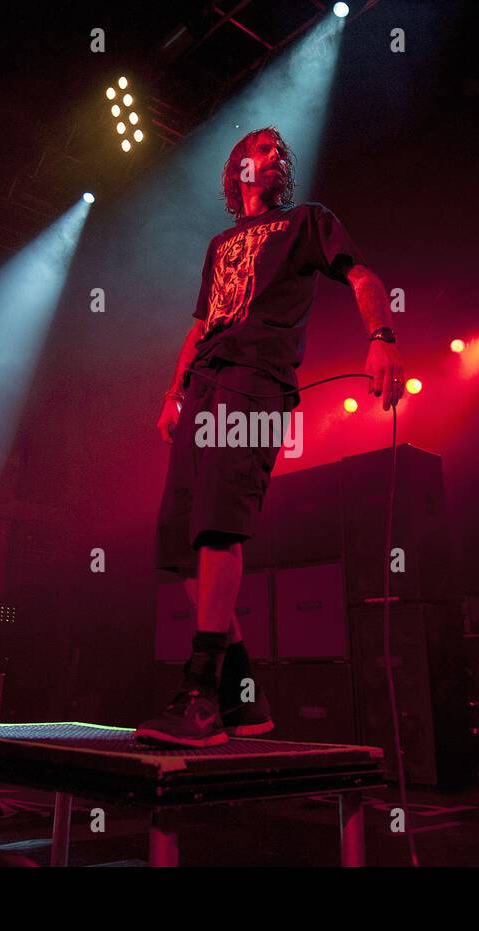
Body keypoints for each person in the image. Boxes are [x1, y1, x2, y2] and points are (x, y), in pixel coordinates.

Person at [136, 126, 406, 747]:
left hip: (256, 381)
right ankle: (244, 699)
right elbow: (201, 323)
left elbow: (363, 277)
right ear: (236, 167)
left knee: (216, 527)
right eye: (257, 147)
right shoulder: (220, 242)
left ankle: (201, 696)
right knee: (179, 550)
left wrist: (382, 338)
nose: (268, 155)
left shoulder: (306, 222)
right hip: (204, 385)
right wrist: (173, 392)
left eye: (276, 151)